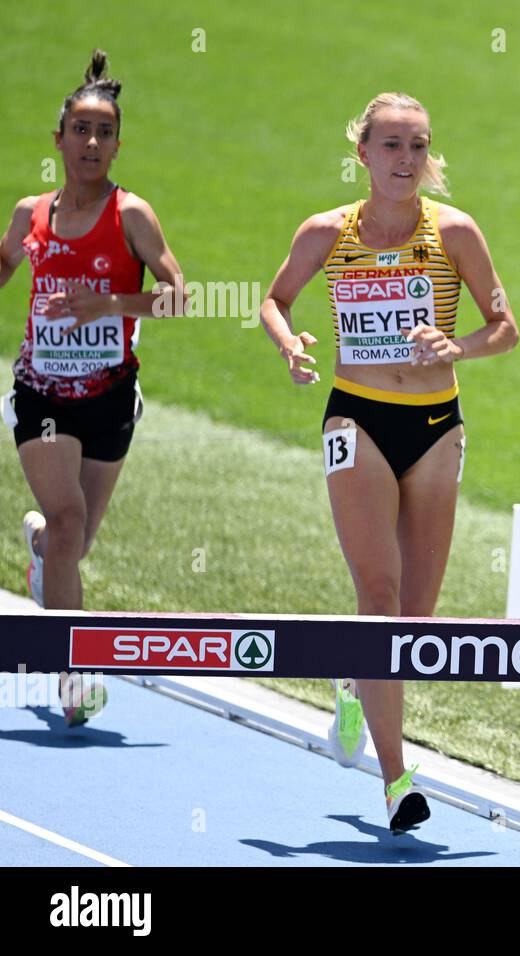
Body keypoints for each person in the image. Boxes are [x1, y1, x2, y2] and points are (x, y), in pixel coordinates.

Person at [260, 92, 519, 834]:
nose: (407, 160)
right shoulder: (326, 231)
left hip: (436, 426)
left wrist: (457, 346)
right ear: (363, 152)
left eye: (418, 146)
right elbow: (274, 300)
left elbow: (506, 327)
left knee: (415, 619)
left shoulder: (455, 231)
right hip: (357, 417)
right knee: (378, 593)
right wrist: (290, 344)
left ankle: (352, 680)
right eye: (393, 145)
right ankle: (396, 781)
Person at [0, 50, 185, 724]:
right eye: (81, 130)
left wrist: (107, 304)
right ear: (59, 139)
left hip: (110, 396)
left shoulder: (131, 214)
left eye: (105, 132)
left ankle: (40, 552)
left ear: (117, 145)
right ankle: (72, 677)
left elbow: (177, 297)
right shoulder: (30, 213)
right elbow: (4, 263)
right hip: (41, 395)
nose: (92, 143)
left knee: (72, 544)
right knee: (70, 521)